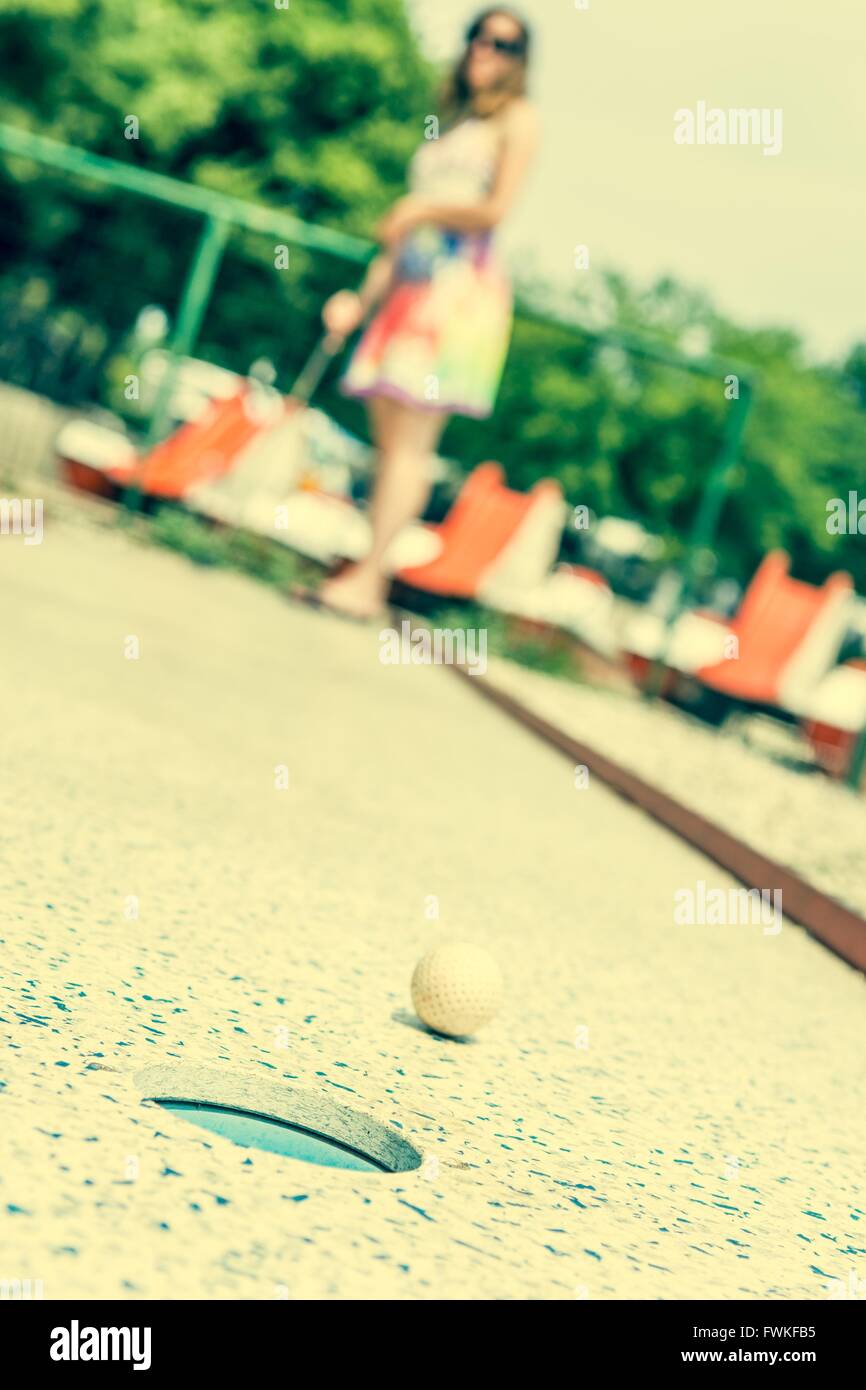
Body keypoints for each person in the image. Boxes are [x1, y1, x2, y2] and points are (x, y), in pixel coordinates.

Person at [307, 6, 540, 620]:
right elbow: (400, 238)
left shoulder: (518, 121)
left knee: (412, 443)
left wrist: (419, 209)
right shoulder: (453, 121)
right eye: (479, 37)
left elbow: (494, 210)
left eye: (504, 44)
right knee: (390, 444)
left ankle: (370, 583)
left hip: (457, 294)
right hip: (409, 288)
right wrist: (360, 300)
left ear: (520, 59)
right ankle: (367, 571)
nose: (487, 50)